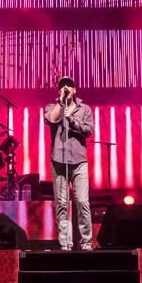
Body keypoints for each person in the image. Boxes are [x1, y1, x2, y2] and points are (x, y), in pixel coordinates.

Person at [43, 76, 94, 251]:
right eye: (62, 87)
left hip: (79, 162)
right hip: (58, 161)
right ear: (59, 91)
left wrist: (72, 121)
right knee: (62, 204)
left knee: (82, 202)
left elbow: (88, 130)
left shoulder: (84, 109)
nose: (66, 88)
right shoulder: (52, 107)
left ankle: (86, 243)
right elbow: (51, 119)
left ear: (75, 90)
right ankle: (65, 243)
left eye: (70, 86)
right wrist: (61, 102)